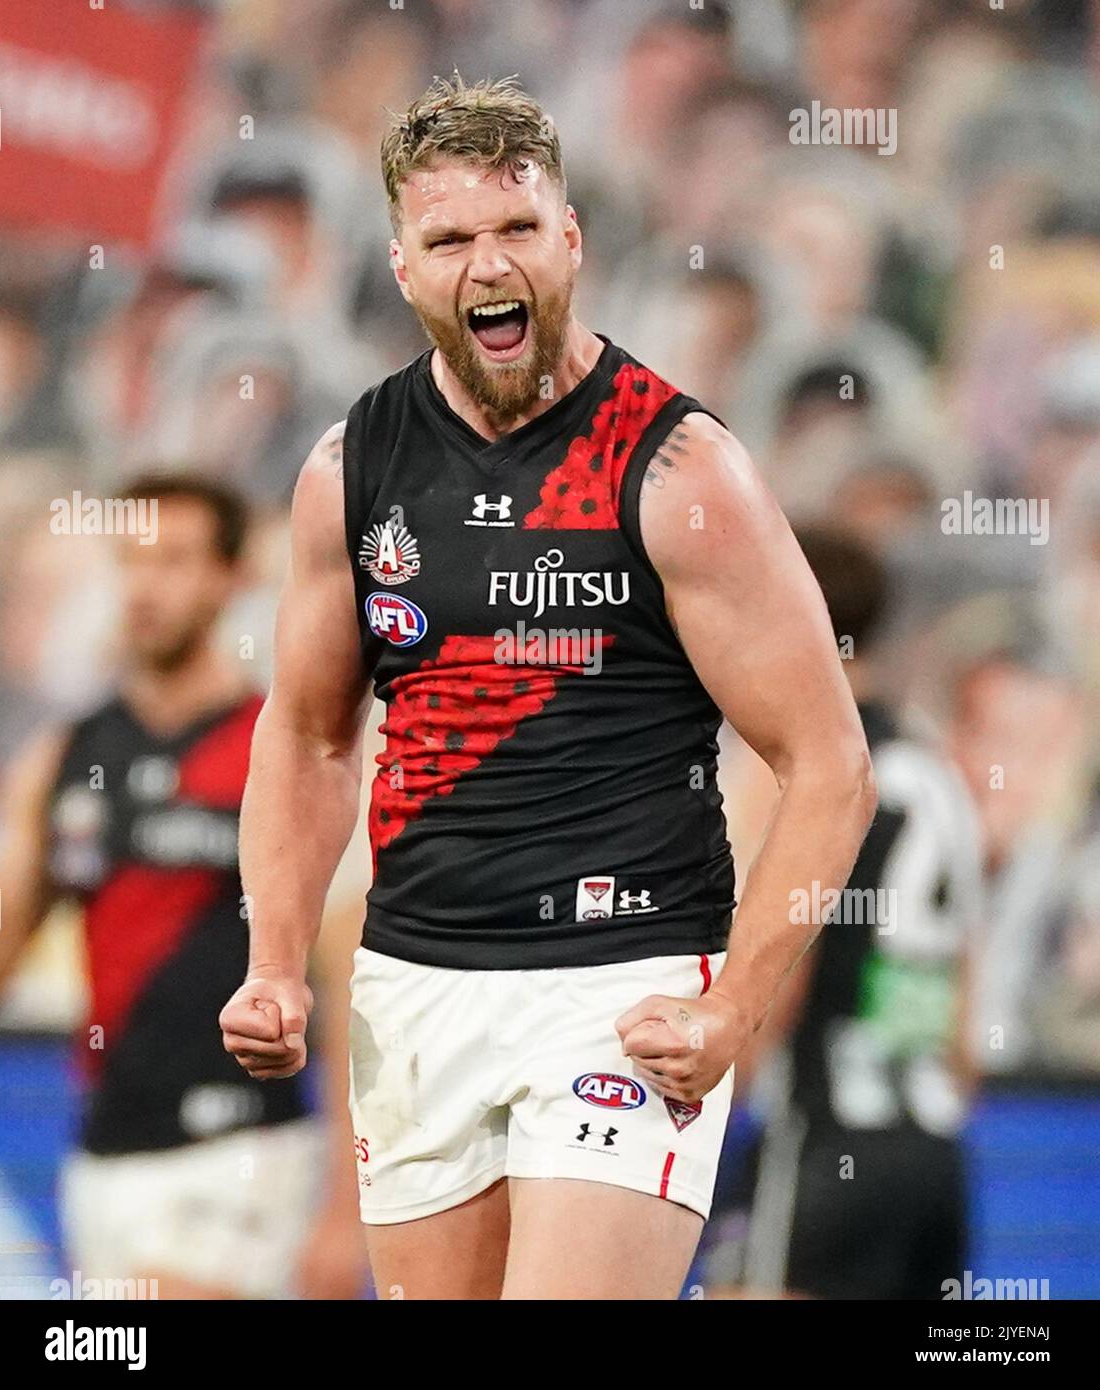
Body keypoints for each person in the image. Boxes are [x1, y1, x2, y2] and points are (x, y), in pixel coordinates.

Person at [220, 74, 877, 1301]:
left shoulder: (681, 468)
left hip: (619, 984)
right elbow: (308, 737)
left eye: (516, 229)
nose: (488, 263)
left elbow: (829, 762)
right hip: (413, 988)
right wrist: (271, 963)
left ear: (569, 242)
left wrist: (733, 1007)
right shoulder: (348, 469)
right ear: (404, 269)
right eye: (449, 238)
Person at [0, 476, 366, 1299]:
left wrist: (348, 1209)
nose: (147, 586)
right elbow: (7, 936)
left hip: (239, 1154)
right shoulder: (65, 757)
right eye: (132, 559)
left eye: (175, 561)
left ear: (232, 578)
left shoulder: (283, 755)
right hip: (103, 1153)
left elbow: (349, 991)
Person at [705, 527, 982, 1299]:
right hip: (934, 1156)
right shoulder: (938, 773)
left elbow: (778, 969)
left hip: (825, 1143)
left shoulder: (807, 768)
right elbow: (967, 1022)